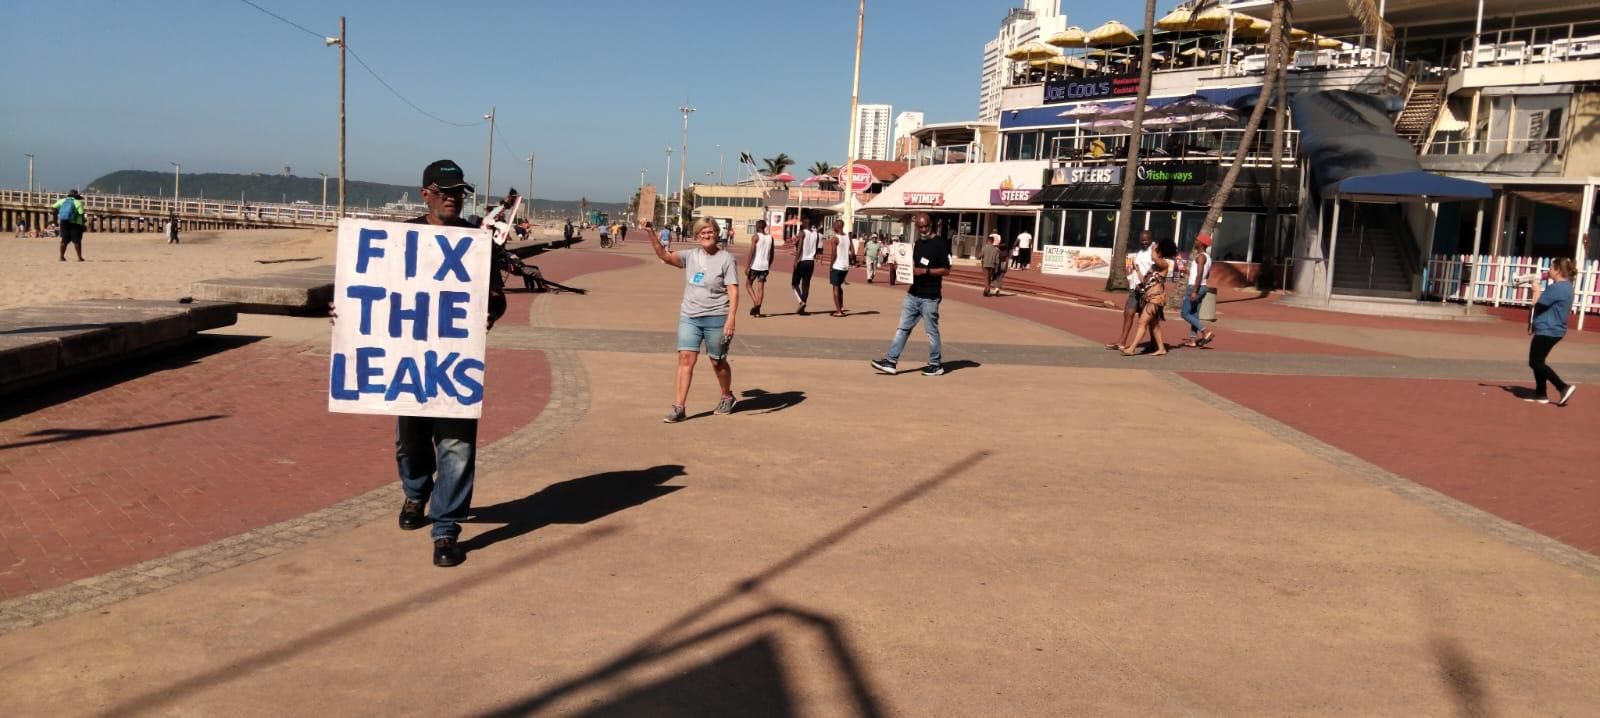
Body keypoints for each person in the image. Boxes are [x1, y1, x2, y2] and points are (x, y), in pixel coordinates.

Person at [338, 159, 508, 568]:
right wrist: (342, 310)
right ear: (425, 194)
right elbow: (370, 291)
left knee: (457, 447)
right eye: (443, 190)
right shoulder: (399, 238)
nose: (452, 198)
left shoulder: (478, 243)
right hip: (407, 364)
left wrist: (490, 312)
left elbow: (496, 295)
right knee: (410, 443)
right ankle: (416, 493)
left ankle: (446, 528)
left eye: (458, 192)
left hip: (453, 363)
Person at [651, 217, 739, 422]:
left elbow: (733, 290)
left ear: (717, 234)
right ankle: (679, 407)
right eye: (702, 232)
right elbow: (664, 255)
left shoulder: (726, 259)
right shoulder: (689, 256)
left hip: (717, 316)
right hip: (690, 316)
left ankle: (727, 396)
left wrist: (731, 319)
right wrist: (650, 232)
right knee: (685, 359)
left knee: (717, 361)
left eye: (710, 232)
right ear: (697, 236)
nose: (706, 236)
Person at [871, 212, 951, 376]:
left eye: (926, 226)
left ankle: (936, 364)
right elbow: (911, 266)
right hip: (913, 294)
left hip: (930, 296)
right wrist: (901, 268)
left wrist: (926, 271)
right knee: (902, 329)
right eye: (920, 227)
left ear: (931, 225)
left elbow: (946, 270)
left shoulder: (940, 244)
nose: (923, 229)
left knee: (931, 332)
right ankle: (891, 361)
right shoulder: (918, 244)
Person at [1526, 257, 1578, 406]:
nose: (1548, 270)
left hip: (1548, 329)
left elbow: (1538, 307)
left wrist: (1536, 292)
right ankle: (1541, 393)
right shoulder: (1567, 287)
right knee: (1539, 361)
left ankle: (1562, 387)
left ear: (1558, 271)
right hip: (1553, 329)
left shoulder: (1556, 288)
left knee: (1535, 362)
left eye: (1551, 268)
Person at [1121, 237, 1176, 357]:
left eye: (1157, 250)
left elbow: (1155, 257)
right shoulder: (1153, 267)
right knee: (1154, 325)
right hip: (1149, 298)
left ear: (1160, 251)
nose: (1153, 252)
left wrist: (1153, 248)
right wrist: (1138, 271)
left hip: (1156, 300)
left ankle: (1132, 348)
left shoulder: (1164, 264)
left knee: (1141, 323)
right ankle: (1161, 348)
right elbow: (1145, 281)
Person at [1107, 231, 1154, 351]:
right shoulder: (1140, 252)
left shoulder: (1154, 251)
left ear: (1151, 239)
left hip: (1148, 290)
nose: (1144, 243)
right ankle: (1121, 342)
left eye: (1146, 240)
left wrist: (1145, 284)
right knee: (1128, 313)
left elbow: (1156, 270)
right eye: (1142, 240)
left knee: (1149, 319)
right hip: (1134, 289)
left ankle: (1155, 343)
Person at [1181, 233, 1215, 347]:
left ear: (1201, 243)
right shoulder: (1208, 257)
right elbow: (1206, 274)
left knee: (1185, 313)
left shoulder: (1201, 256)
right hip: (1203, 287)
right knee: (1194, 313)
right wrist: (1188, 273)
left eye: (1196, 240)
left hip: (1195, 287)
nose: (1194, 241)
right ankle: (1192, 339)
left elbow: (1200, 274)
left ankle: (1205, 331)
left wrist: (1194, 291)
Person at [745, 219, 775, 317]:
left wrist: (748, 266)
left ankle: (756, 304)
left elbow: (751, 252)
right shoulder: (770, 238)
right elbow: (772, 254)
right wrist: (768, 265)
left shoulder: (755, 237)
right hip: (764, 266)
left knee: (748, 284)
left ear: (757, 227)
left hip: (755, 266)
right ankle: (757, 310)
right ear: (765, 227)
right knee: (760, 288)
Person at [792, 220, 819, 315]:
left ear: (805, 224)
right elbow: (816, 249)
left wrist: (796, 260)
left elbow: (799, 247)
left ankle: (801, 302)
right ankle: (802, 307)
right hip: (811, 262)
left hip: (802, 261)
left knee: (794, 284)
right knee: (806, 285)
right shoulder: (816, 234)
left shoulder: (802, 233)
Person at [53, 189, 86, 261]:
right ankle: (79, 257)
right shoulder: (78, 202)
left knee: (64, 240)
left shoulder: (62, 201)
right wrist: (83, 224)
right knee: (77, 241)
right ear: (76, 196)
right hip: (76, 223)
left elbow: (54, 208)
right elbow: (81, 214)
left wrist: (55, 219)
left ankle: (61, 257)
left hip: (64, 222)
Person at [826, 219, 850, 316]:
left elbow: (834, 254)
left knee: (835, 288)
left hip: (837, 266)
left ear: (838, 226)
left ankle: (838, 311)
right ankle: (841, 307)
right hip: (845, 266)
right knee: (839, 287)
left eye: (834, 225)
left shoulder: (835, 238)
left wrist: (830, 265)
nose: (833, 227)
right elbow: (852, 251)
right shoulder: (848, 237)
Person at [981, 233, 1004, 297]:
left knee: (986, 278)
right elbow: (997, 260)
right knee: (989, 278)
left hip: (985, 265)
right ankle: (987, 290)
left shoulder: (985, 247)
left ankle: (987, 289)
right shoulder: (996, 249)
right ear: (993, 241)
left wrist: (981, 257)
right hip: (992, 266)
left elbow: (981, 255)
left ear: (988, 241)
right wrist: (996, 267)